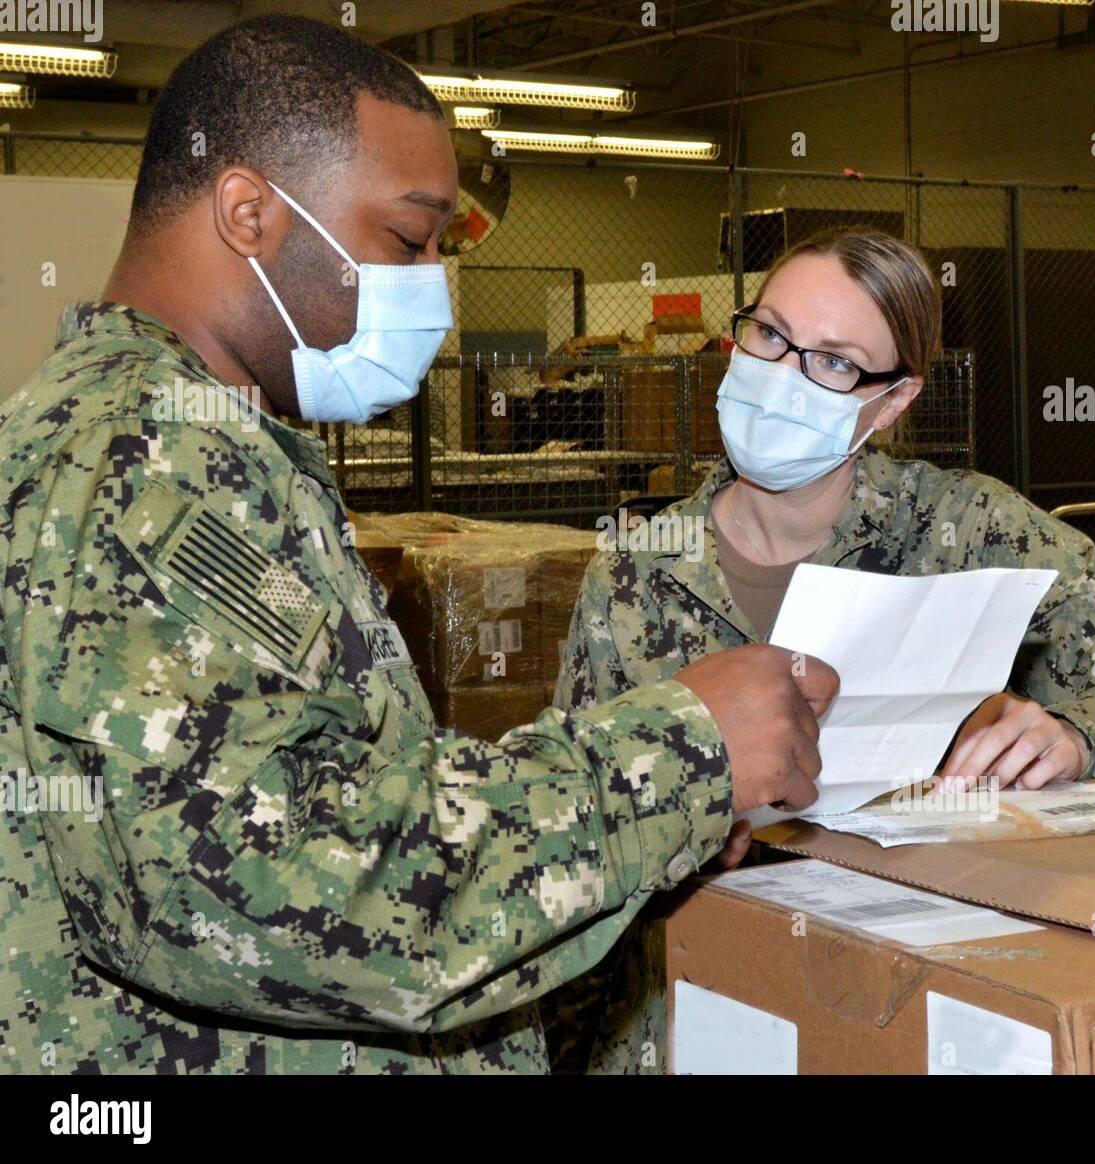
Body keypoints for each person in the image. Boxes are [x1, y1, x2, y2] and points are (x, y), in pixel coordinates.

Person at [0, 15, 838, 1075]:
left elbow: (321, 782)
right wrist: (674, 759)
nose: (432, 289)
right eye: (407, 240)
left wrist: (645, 833)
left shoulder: (164, 435)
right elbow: (263, 887)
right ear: (248, 211)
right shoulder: (152, 460)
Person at [548, 226, 1095, 1073]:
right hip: (683, 1014)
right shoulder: (636, 572)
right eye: (769, 335)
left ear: (892, 402)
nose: (782, 378)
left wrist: (1076, 732)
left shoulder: (964, 531)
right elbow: (573, 842)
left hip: (904, 1012)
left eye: (835, 362)